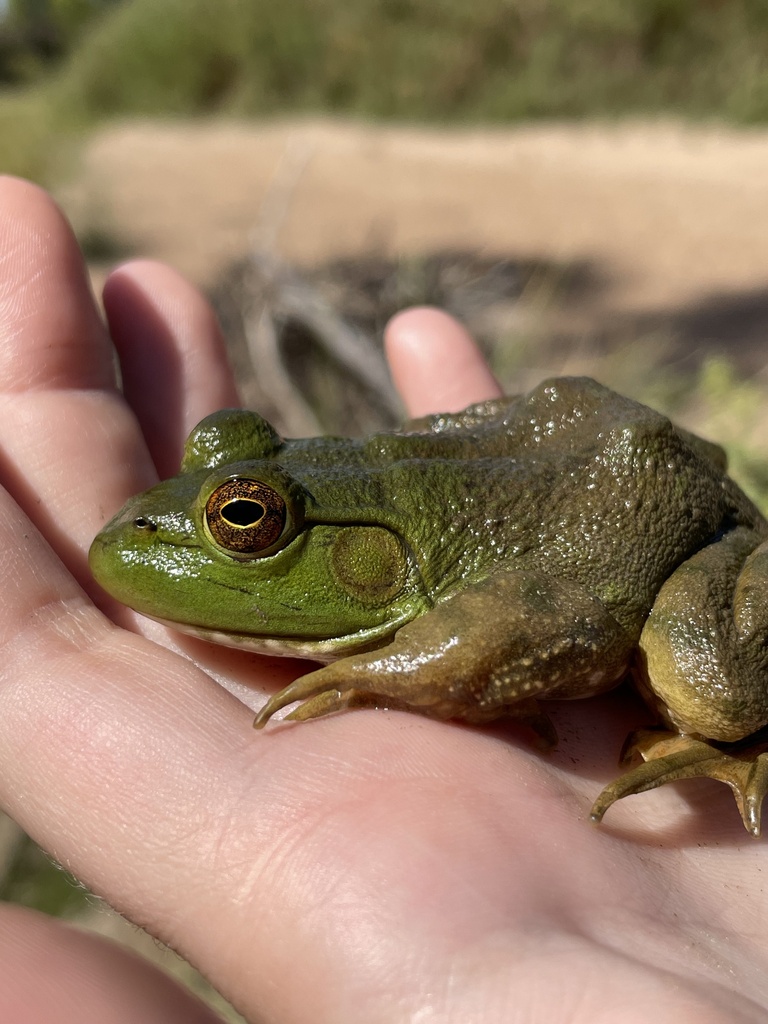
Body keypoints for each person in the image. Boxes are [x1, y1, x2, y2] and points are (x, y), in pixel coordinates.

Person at [0, 175, 760, 1024]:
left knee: (714, 691)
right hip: (570, 451)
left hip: (676, 521)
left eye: (244, 520)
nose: (154, 525)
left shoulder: (484, 594)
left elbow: (569, 623)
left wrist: (413, 667)